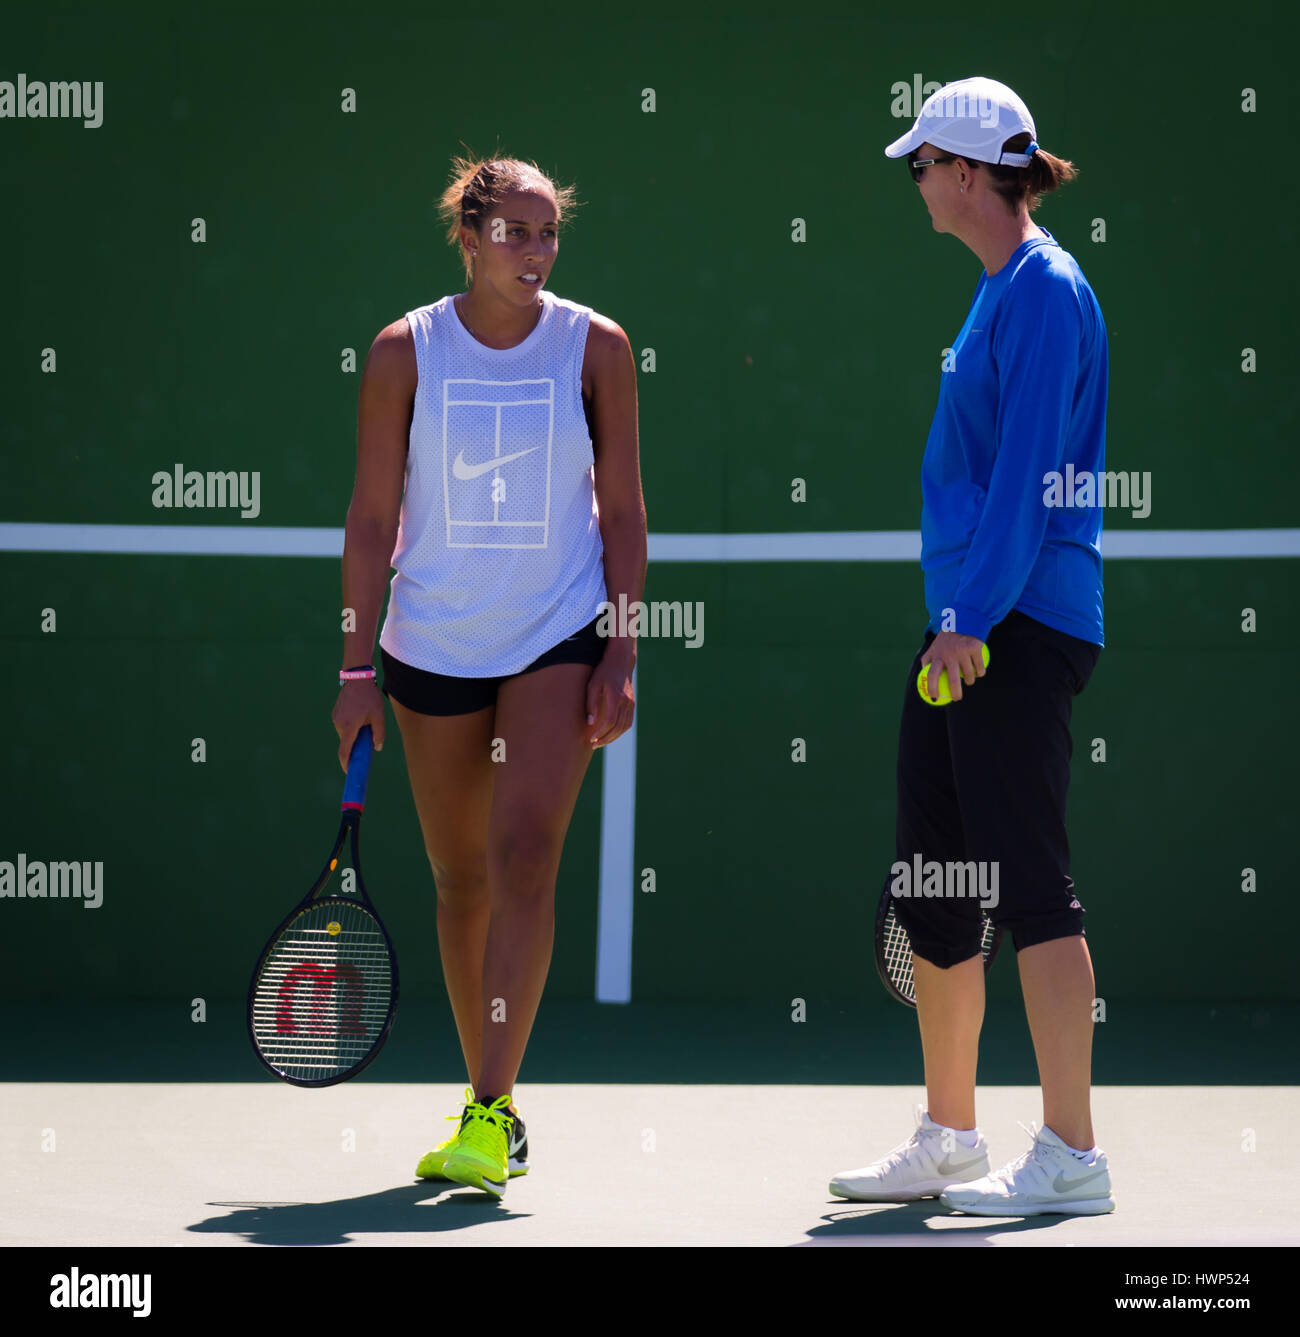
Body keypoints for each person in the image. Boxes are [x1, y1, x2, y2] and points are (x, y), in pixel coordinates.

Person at [332, 155, 646, 1198]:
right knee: (459, 876)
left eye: (547, 231)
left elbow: (625, 508)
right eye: (513, 231)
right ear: (467, 237)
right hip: (429, 645)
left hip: (557, 632)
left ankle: (484, 1104)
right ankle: (494, 1102)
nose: (535, 250)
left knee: (522, 858)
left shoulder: (595, 346)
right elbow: (373, 517)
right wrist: (354, 664)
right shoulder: (401, 351)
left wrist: (622, 643)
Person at [831, 78, 1114, 1215]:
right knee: (938, 880)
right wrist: (953, 621)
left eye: (921, 166)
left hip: (1013, 624)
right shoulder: (999, 290)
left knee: (1033, 887)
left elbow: (1028, 485)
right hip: (966, 622)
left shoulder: (1044, 291)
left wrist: (969, 622)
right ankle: (950, 1132)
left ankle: (1072, 1153)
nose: (916, 183)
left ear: (962, 172)